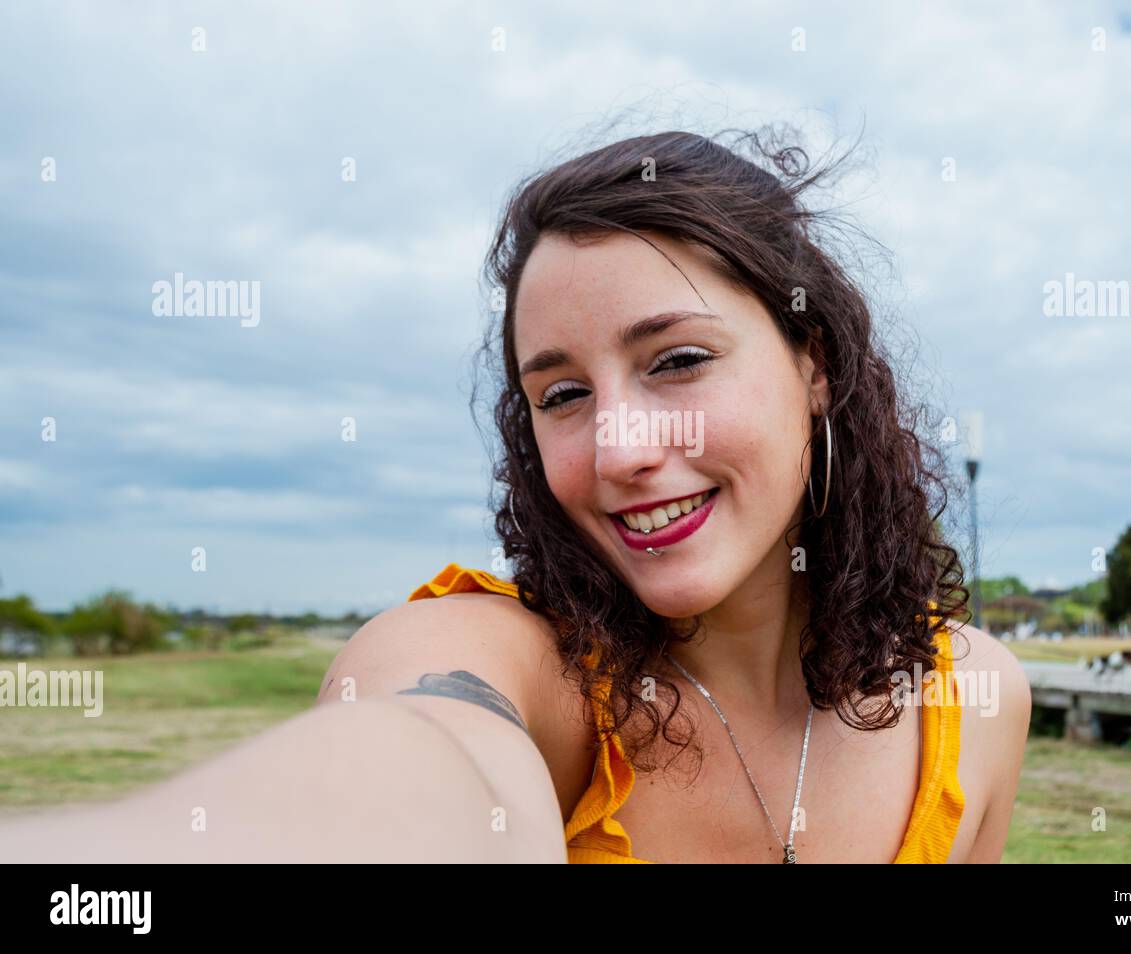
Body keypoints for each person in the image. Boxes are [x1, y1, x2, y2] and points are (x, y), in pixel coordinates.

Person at [0, 126, 1030, 863]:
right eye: (564, 393)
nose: (620, 449)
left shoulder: (974, 705)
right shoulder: (519, 675)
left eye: (675, 360)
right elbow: (422, 747)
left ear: (812, 364)